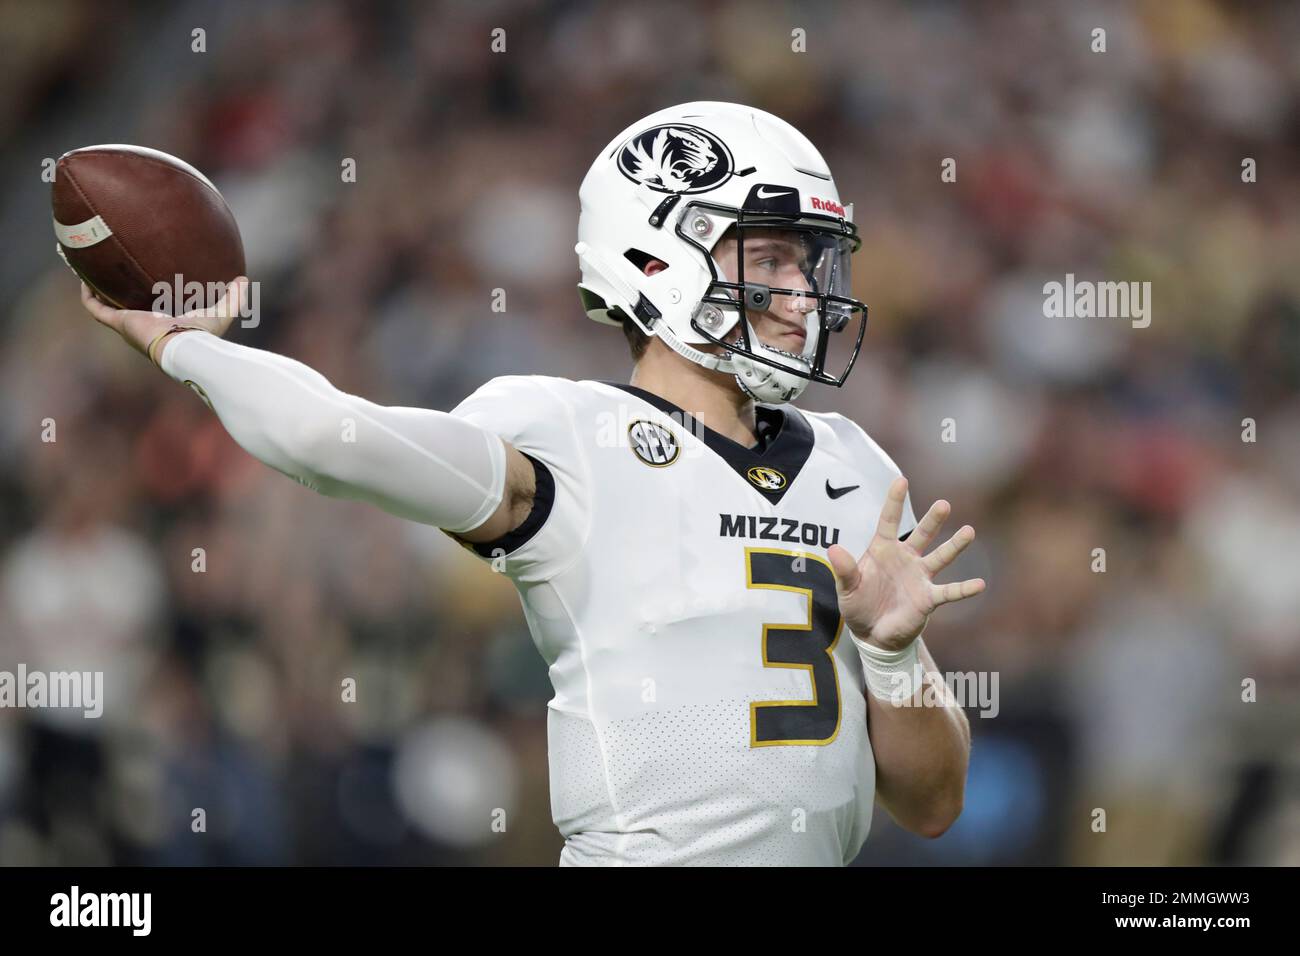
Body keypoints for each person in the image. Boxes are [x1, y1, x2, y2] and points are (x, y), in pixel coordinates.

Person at [82, 101, 985, 866]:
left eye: (811, 262)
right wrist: (186, 343)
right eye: (773, 259)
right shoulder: (568, 435)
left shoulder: (853, 465)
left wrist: (897, 657)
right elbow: (328, 437)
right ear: (658, 258)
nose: (803, 296)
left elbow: (932, 804)